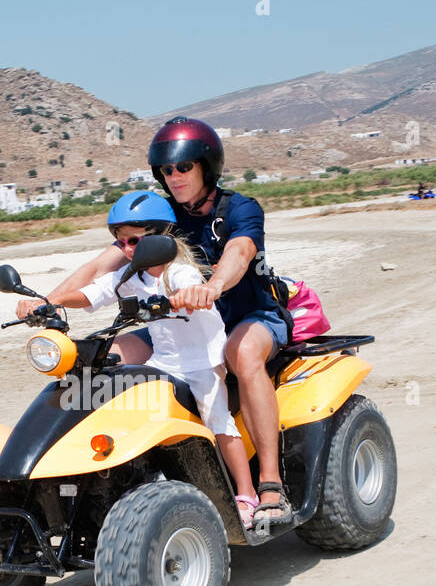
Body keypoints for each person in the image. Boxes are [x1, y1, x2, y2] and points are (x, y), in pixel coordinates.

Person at [17, 117, 293, 527]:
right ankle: (111, 467)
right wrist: (48, 300)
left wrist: (212, 286)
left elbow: (240, 251)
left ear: (205, 165)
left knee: (243, 353)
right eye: (167, 169)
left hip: (248, 316)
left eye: (184, 167)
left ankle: (268, 483)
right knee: (100, 358)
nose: (175, 176)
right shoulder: (161, 218)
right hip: (176, 322)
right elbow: (101, 267)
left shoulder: (237, 209)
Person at [42, 192, 264, 528]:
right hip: (165, 360)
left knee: (216, 418)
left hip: (202, 361)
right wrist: (50, 302)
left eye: (135, 241)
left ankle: (247, 495)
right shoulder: (130, 275)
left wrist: (194, 294)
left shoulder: (179, 273)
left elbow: (190, 286)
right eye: (122, 242)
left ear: (162, 239)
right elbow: (92, 293)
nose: (128, 249)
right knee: (127, 398)